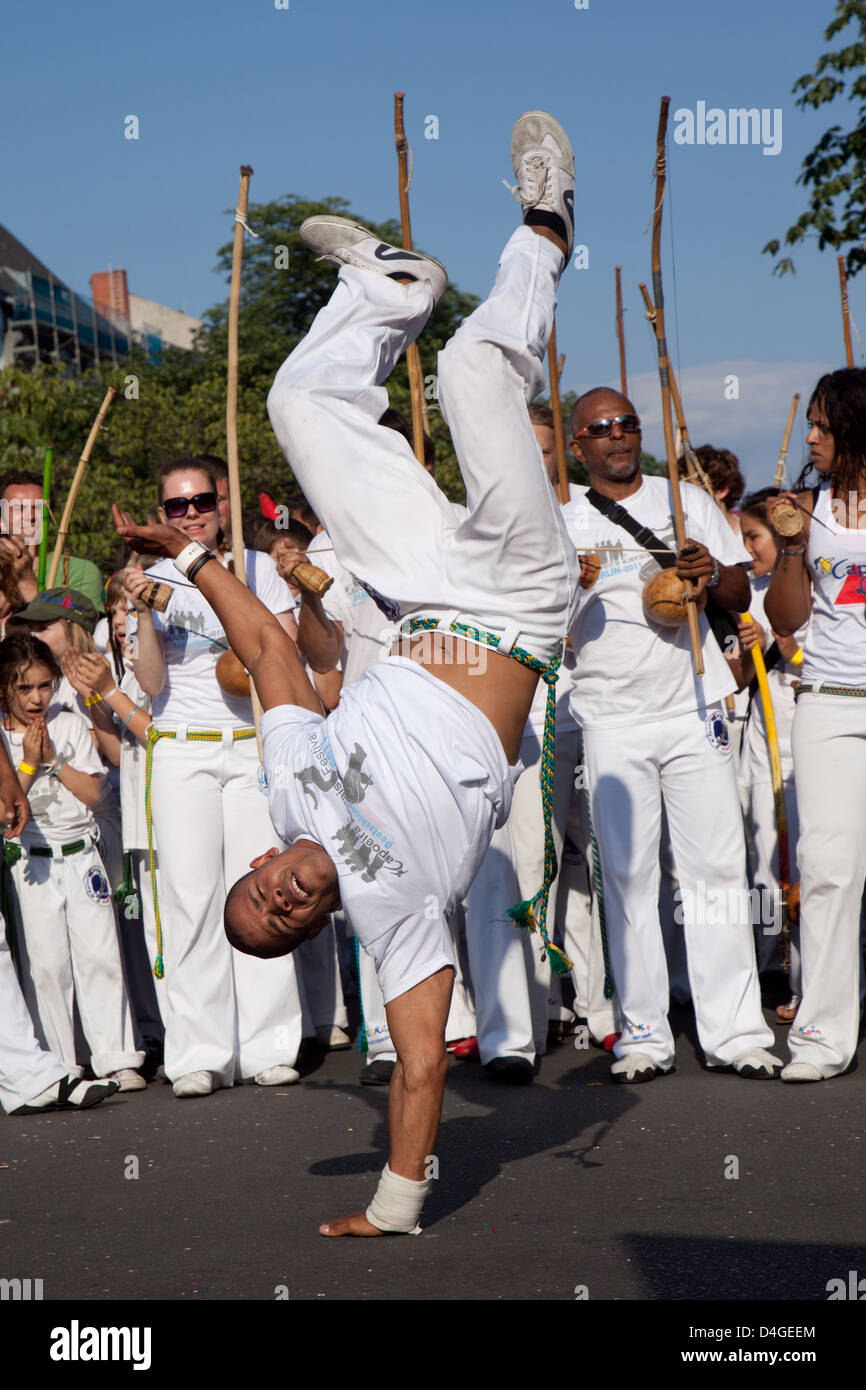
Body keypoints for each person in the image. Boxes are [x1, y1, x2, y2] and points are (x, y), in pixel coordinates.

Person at [114, 109, 580, 1235]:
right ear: (312, 926)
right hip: (515, 607)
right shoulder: (393, 914)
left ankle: (390, 286)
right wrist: (394, 1199)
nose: (278, 900)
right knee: (472, 370)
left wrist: (189, 556)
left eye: (259, 895)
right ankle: (546, 225)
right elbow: (419, 1064)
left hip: (419, 592)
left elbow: (269, 648)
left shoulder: (286, 787)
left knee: (296, 404)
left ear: (266, 861)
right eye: (281, 924)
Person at [561, 388, 782, 1083]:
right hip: (611, 717)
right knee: (626, 877)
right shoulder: (560, 517)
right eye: (600, 428)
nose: (617, 436)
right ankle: (645, 1035)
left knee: (715, 871)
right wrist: (574, 586)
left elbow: (741, 595)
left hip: (693, 705)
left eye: (626, 423)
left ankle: (736, 1031)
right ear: (579, 446)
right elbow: (541, 626)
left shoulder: (682, 497)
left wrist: (709, 573)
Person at [122, 457, 307, 1098]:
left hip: (252, 743)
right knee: (192, 897)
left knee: (267, 888)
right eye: (176, 506)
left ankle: (270, 1043)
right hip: (182, 747)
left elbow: (281, 655)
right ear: (161, 514)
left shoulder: (257, 570)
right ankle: (200, 1051)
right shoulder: (149, 576)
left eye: (201, 500)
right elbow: (149, 683)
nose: (191, 513)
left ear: (220, 504)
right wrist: (144, 608)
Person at [765, 368, 866, 1081]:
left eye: (825, 426)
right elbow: (786, 618)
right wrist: (794, 545)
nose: (811, 437)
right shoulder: (805, 505)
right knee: (827, 869)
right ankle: (823, 1035)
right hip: (828, 700)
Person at [0, 633, 144, 1090]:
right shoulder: (2, 739)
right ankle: (61, 1062)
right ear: (4, 689)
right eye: (23, 689)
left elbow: (93, 793)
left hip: (81, 855)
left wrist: (53, 761)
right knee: (46, 965)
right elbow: (8, 810)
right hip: (32, 862)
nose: (36, 698)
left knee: (101, 956)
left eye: (44, 685)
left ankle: (117, 1057)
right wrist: (27, 762)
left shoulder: (67, 724)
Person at [736, 490, 805, 1009]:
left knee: (808, 864)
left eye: (753, 536)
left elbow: (809, 653)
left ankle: (812, 980)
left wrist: (781, 644)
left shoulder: (803, 585)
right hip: (763, 743)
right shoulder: (746, 592)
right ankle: (761, 970)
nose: (747, 548)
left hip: (806, 739)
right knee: (761, 861)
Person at [0, 470, 104, 609]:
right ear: (1, 520)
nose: (30, 516)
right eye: (19, 508)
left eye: (38, 508)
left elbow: (84, 627)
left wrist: (28, 582)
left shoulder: (79, 571)